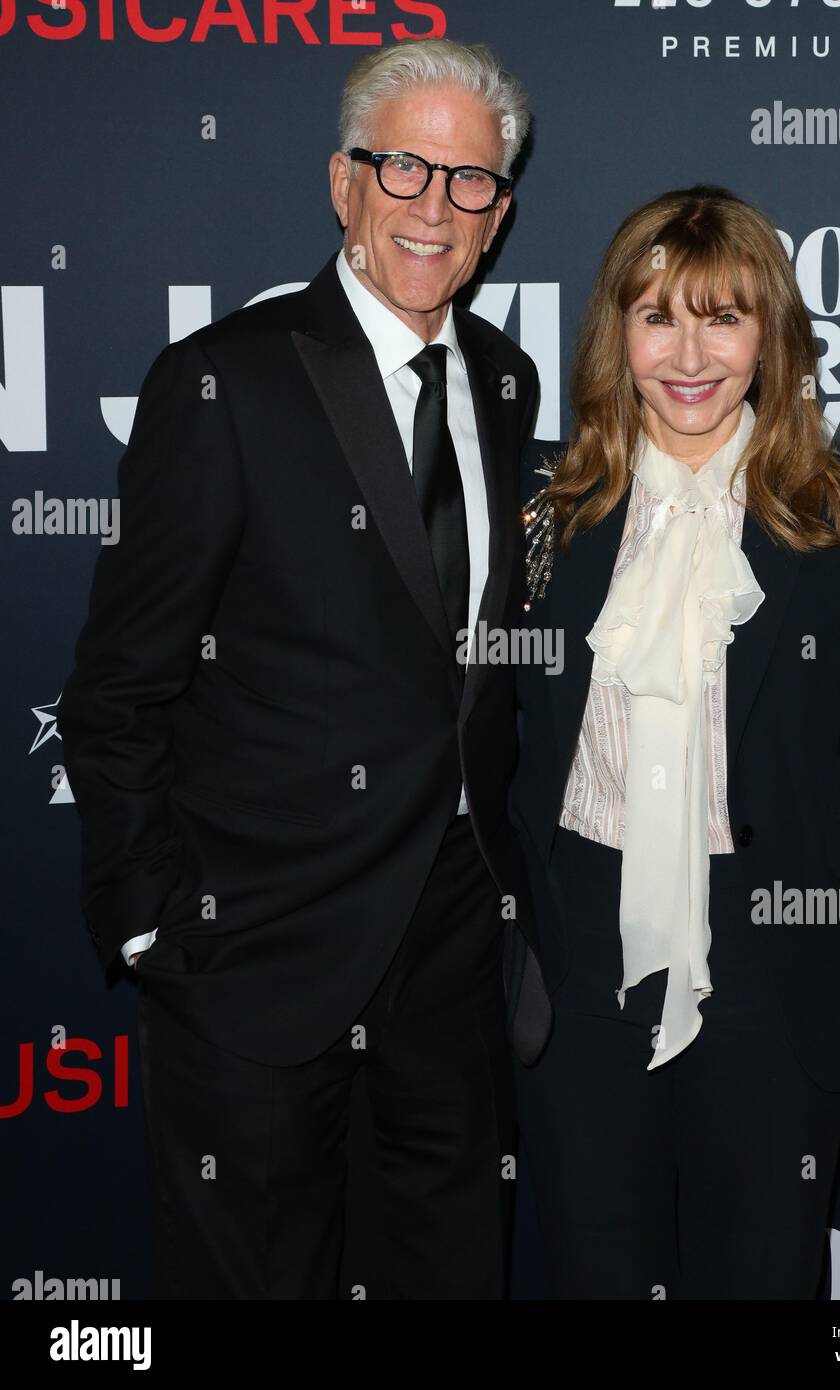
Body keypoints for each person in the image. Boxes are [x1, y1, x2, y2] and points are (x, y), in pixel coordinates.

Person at [58, 37, 550, 1300]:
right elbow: (118, 692)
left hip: (453, 955)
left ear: (501, 212)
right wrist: (157, 925)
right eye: (405, 169)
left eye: (472, 183)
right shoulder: (224, 381)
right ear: (345, 183)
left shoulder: (504, 379)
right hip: (255, 958)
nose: (436, 208)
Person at [510, 186, 840, 1300]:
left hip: (779, 975)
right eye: (658, 315)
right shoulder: (544, 500)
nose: (690, 353)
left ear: (770, 337)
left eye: (723, 317)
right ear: (613, 335)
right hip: (582, 974)